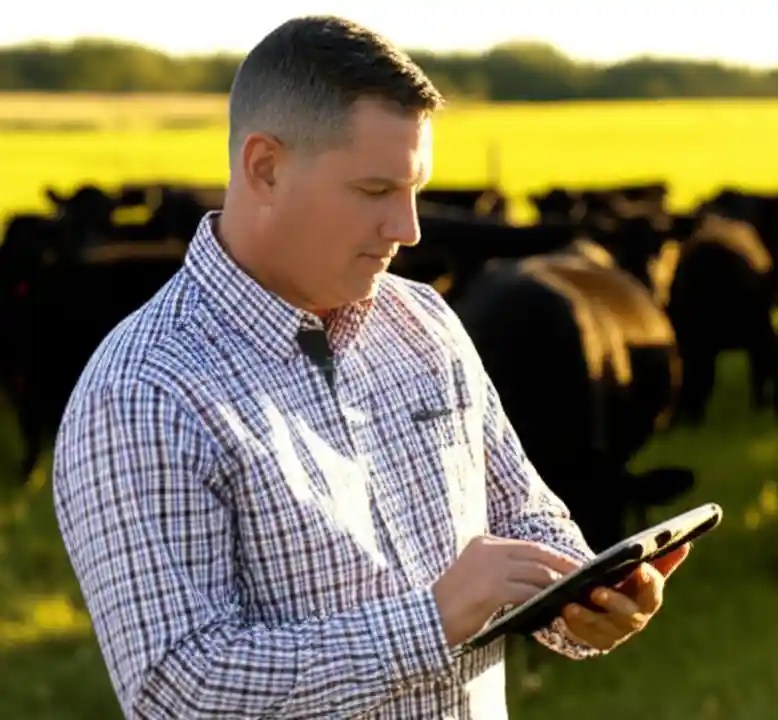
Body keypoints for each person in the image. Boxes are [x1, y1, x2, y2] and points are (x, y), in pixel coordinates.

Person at [51, 14, 690, 719]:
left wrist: (582, 598)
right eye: (375, 191)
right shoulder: (144, 392)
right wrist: (429, 624)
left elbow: (527, 516)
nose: (408, 229)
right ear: (265, 167)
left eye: (414, 190)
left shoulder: (425, 323)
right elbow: (177, 688)